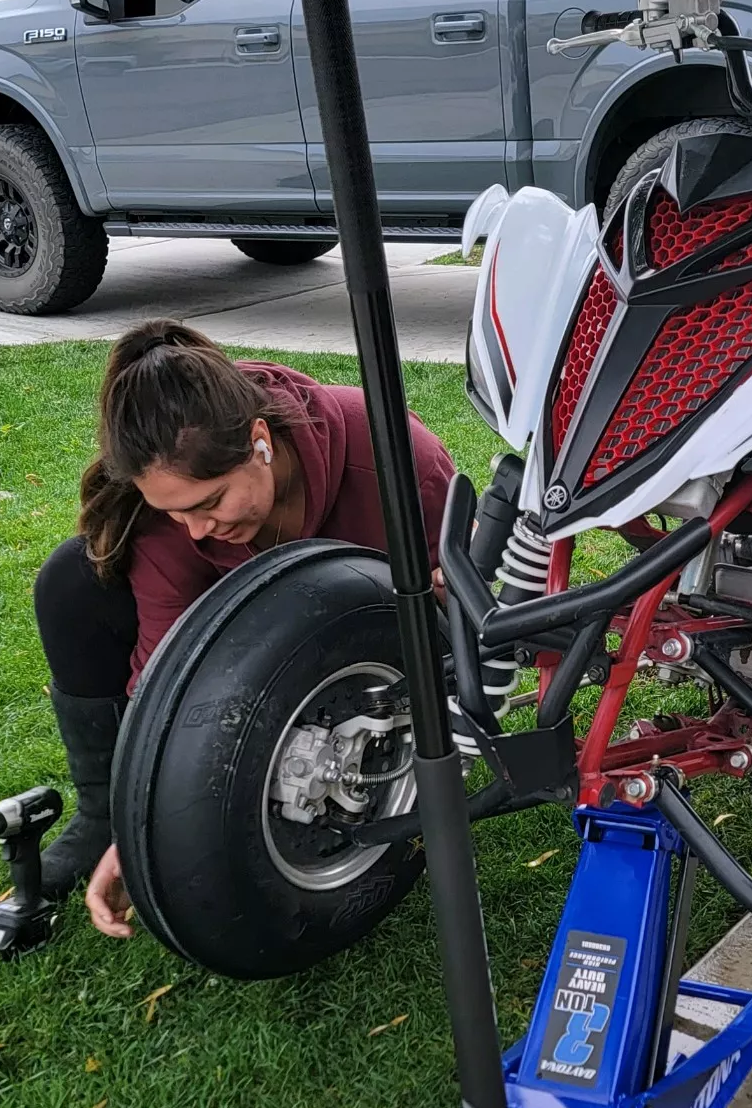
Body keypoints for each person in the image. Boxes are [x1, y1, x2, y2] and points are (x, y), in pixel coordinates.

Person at [32, 320, 455, 936]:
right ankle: (101, 813)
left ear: (260, 440)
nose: (197, 530)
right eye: (174, 512)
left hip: (375, 657)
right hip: (253, 661)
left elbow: (461, 598)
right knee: (73, 576)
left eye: (210, 503)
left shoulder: (390, 452)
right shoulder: (174, 529)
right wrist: (140, 823)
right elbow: (163, 679)